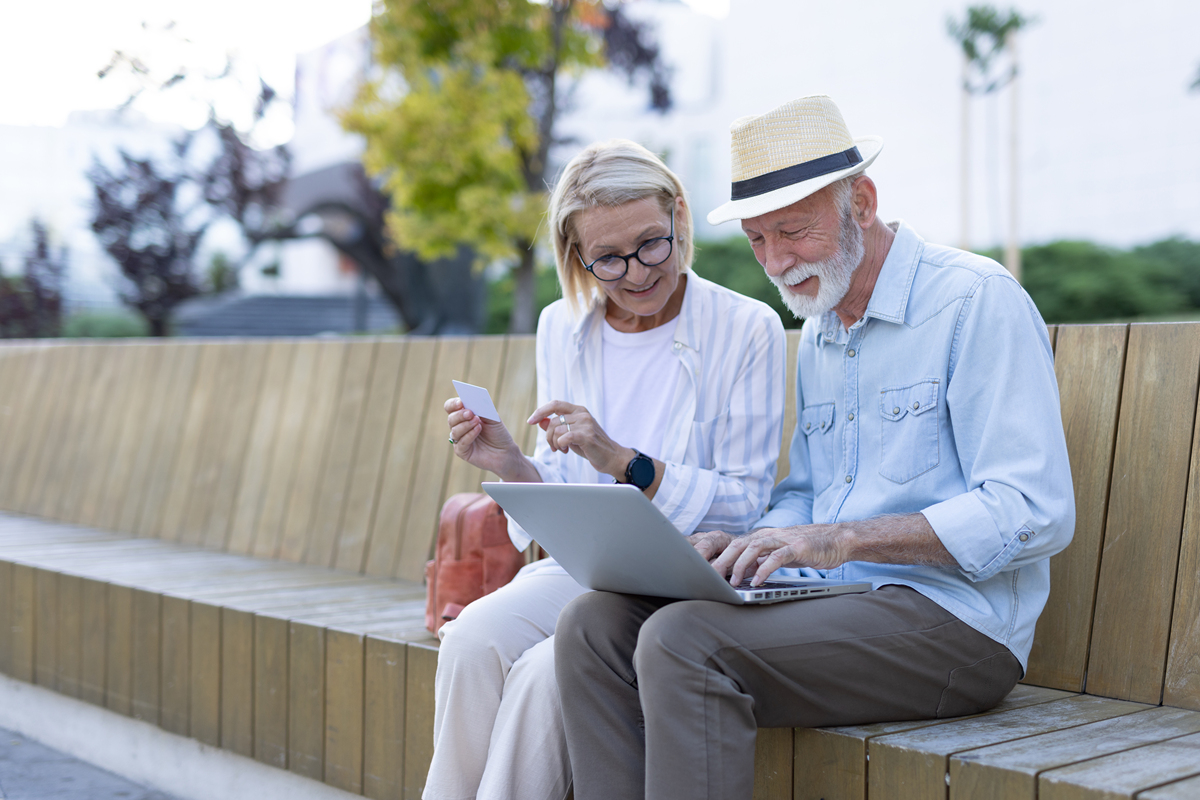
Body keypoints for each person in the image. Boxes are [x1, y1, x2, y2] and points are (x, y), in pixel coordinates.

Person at [554, 95, 1075, 800]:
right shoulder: (824, 328)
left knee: (683, 643)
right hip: (834, 600)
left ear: (860, 201)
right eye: (758, 241)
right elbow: (805, 494)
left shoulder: (975, 301)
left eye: (793, 232)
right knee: (596, 623)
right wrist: (745, 546)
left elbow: (1034, 510)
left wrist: (842, 538)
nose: (776, 262)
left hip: (959, 629)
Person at [425, 139, 787, 800]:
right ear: (577, 256)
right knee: (471, 639)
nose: (639, 272)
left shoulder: (746, 328)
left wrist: (622, 461)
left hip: (686, 578)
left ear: (679, 214)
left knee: (542, 675)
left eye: (652, 243)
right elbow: (567, 501)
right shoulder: (562, 327)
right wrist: (508, 461)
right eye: (609, 259)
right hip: (585, 573)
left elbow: (743, 506)